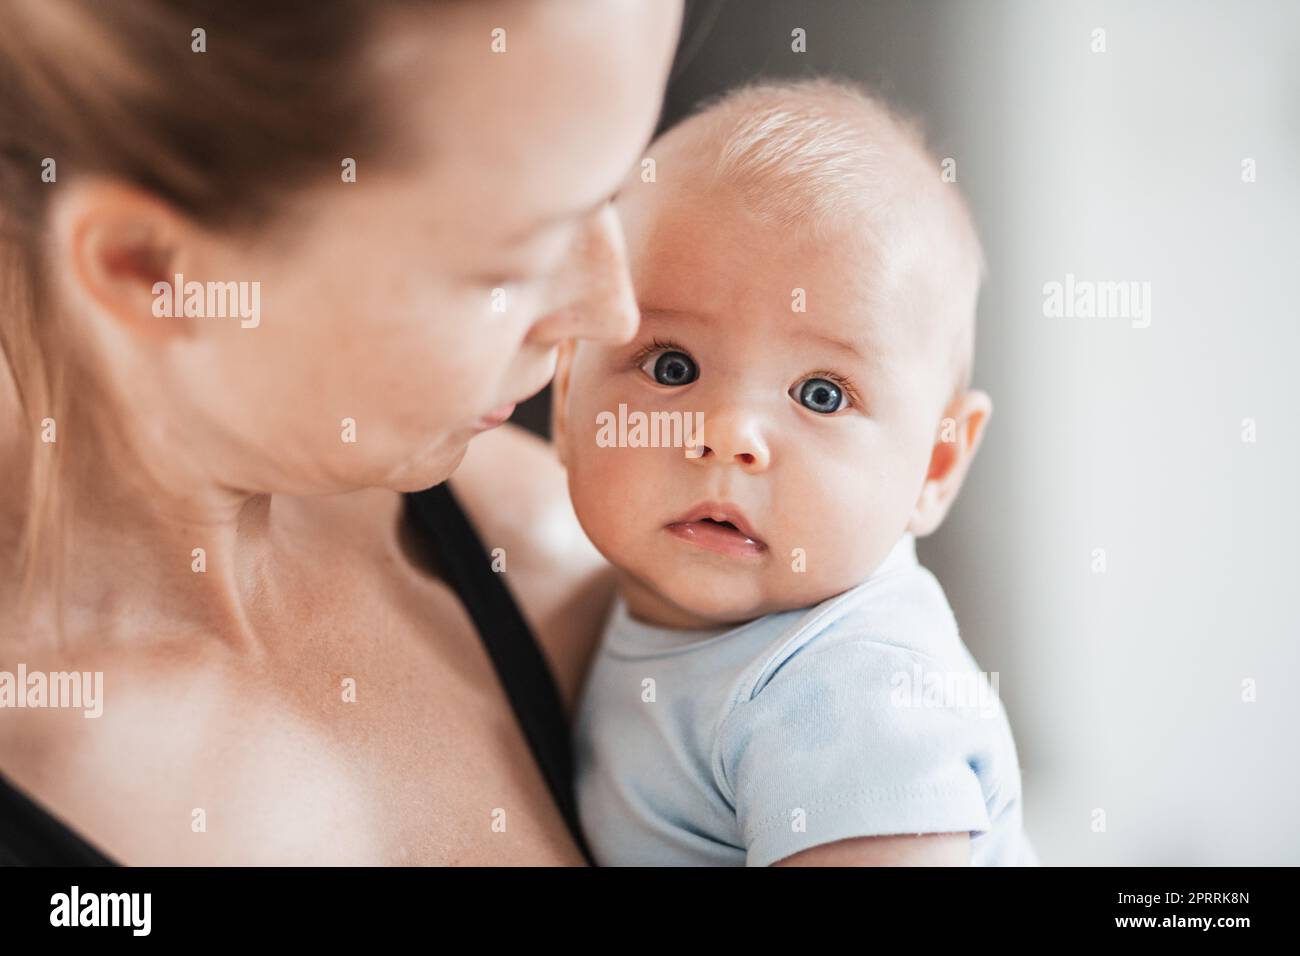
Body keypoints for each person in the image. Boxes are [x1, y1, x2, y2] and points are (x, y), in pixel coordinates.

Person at [0, 0, 682, 865]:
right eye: (513, 264)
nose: (611, 313)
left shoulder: (571, 561)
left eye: (615, 190)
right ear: (151, 267)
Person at [552, 79, 1035, 865]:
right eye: (672, 366)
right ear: (570, 391)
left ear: (936, 463)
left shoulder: (854, 689)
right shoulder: (613, 608)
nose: (730, 435)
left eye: (822, 393)